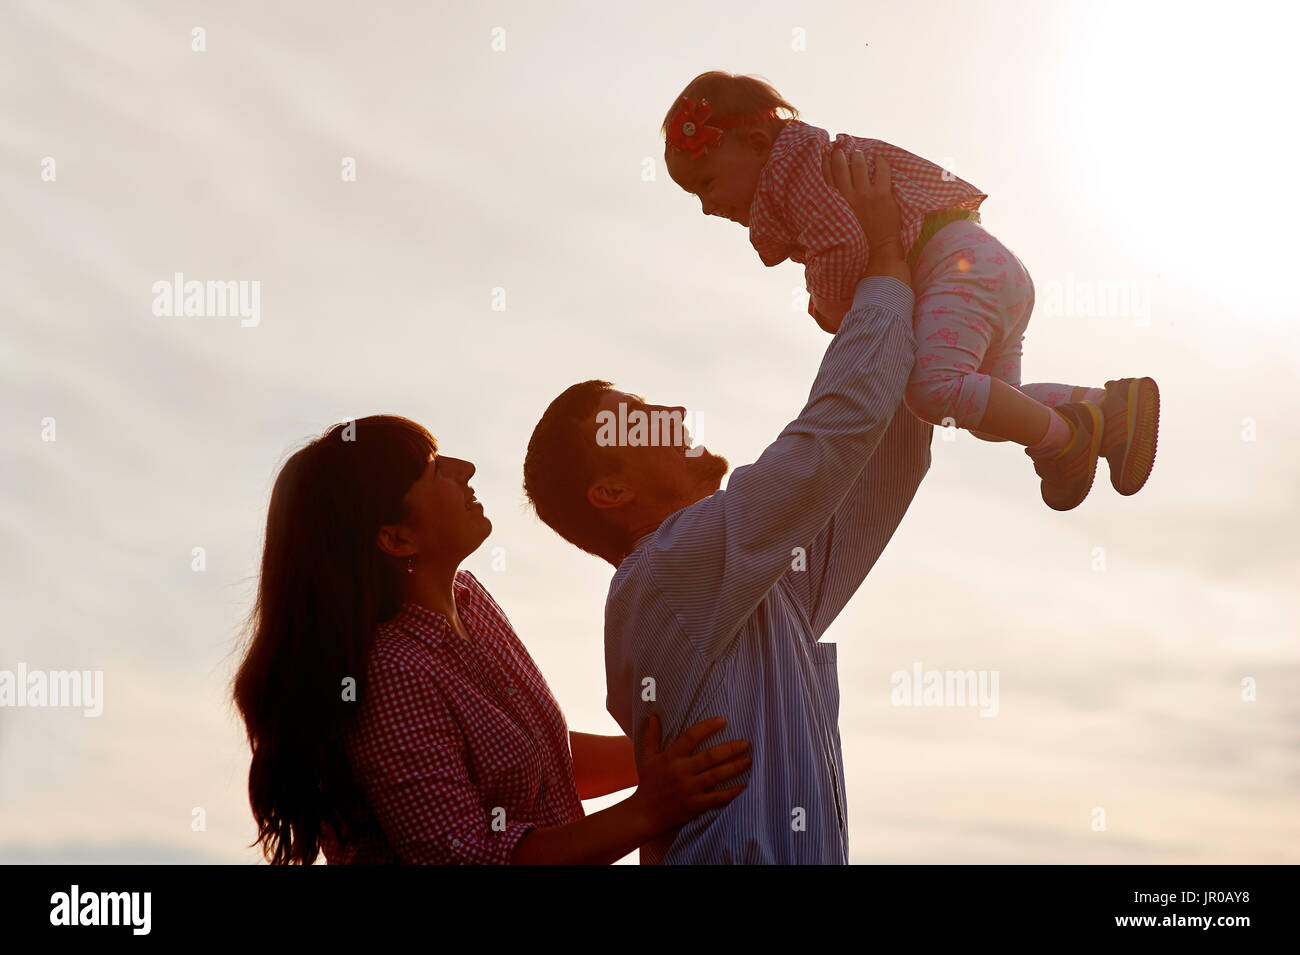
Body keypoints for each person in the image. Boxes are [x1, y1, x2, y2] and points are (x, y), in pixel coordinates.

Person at [522, 145, 925, 863]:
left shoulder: (750, 581)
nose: (672, 413)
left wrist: (909, 290)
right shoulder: (667, 571)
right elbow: (829, 441)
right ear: (611, 492)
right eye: (636, 418)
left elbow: (888, 453)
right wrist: (887, 260)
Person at [232, 415, 750, 864]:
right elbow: (475, 857)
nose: (464, 469)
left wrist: (672, 762)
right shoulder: (387, 676)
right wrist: (651, 809)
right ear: (396, 538)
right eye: (434, 468)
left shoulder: (470, 601)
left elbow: (539, 766)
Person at [660, 70, 1160, 511]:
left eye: (707, 183)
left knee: (933, 391)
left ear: (757, 144)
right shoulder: (804, 170)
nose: (707, 206)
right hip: (983, 266)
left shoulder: (798, 177)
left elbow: (840, 244)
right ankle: (1107, 408)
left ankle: (1066, 439)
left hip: (957, 268)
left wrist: (831, 307)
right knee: (994, 411)